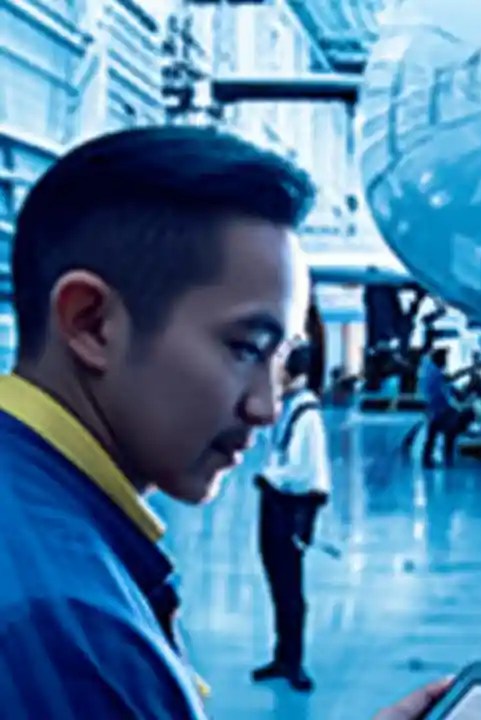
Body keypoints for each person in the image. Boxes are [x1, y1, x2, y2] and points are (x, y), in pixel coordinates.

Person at [0, 126, 449, 718]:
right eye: (245, 348)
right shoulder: (68, 630)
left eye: (280, 359)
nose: (265, 406)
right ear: (91, 324)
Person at [252, 343, 329, 692]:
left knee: (290, 587)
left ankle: (294, 662)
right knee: (277, 582)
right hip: (276, 499)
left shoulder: (306, 414)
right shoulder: (289, 407)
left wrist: (269, 477)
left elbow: (302, 472)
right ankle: (281, 656)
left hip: (292, 506)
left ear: (292, 372)